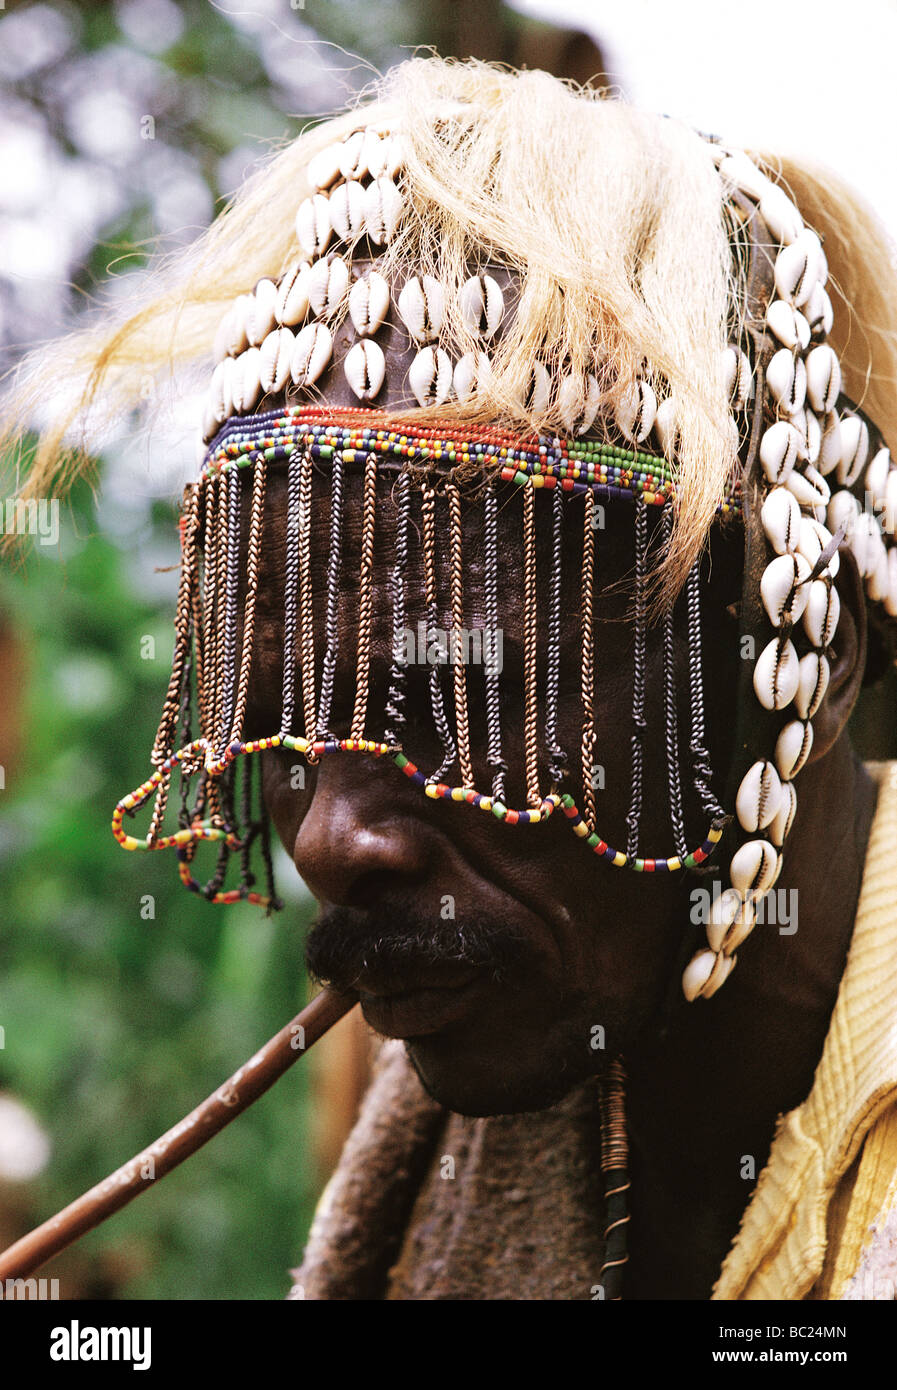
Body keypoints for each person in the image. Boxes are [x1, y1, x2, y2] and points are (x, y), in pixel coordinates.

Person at [5, 58, 897, 1301]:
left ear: (805, 649)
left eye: (453, 703)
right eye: (282, 732)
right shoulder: (462, 1145)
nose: (327, 839)